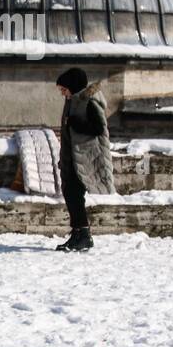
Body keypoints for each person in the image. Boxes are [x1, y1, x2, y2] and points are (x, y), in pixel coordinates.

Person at [55, 68, 115, 252]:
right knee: (70, 194)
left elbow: (98, 128)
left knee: (74, 195)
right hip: (72, 158)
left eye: (63, 89)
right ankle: (77, 233)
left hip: (86, 158)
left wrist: (76, 123)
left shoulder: (89, 102)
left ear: (72, 86)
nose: (62, 93)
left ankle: (84, 235)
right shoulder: (72, 101)